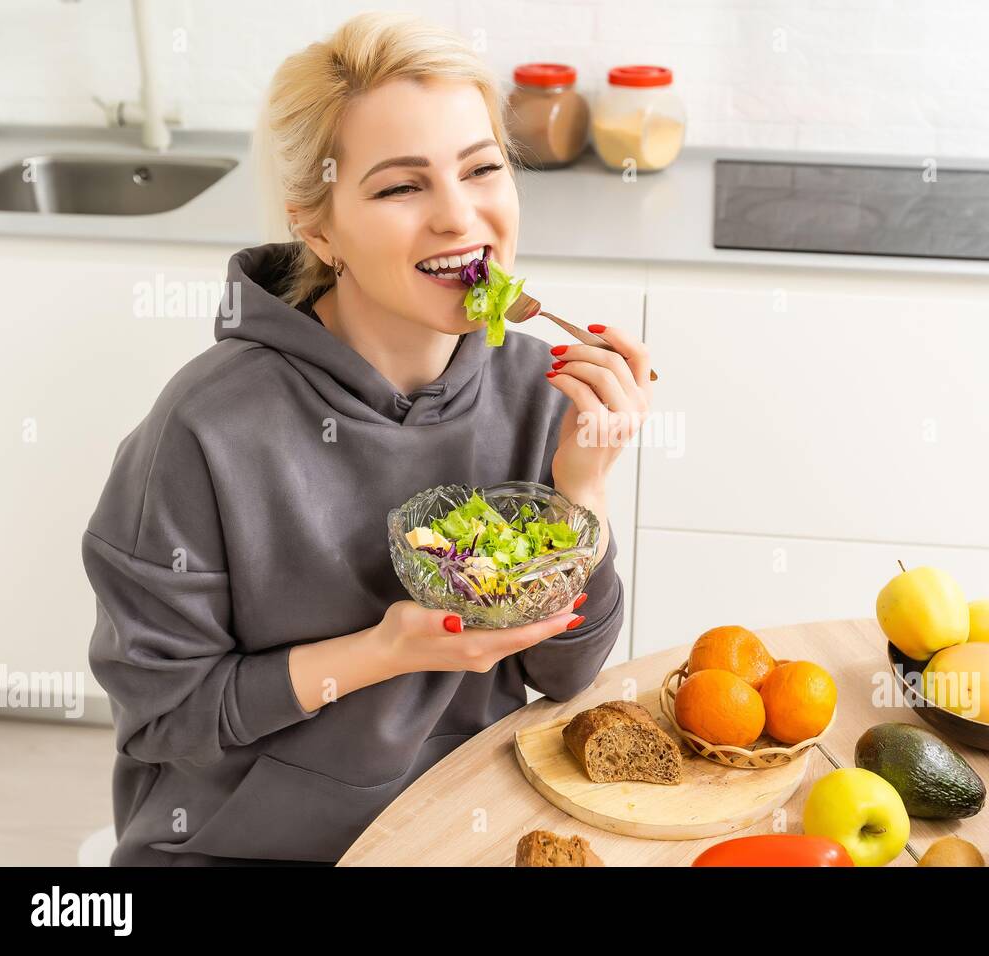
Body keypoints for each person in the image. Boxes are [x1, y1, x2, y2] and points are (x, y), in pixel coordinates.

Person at [83, 12, 651, 866]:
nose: (460, 218)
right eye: (400, 187)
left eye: (483, 168)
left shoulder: (542, 388)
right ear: (316, 227)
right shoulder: (203, 433)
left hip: (469, 826)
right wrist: (380, 654)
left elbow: (565, 676)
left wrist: (585, 491)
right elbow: (167, 719)